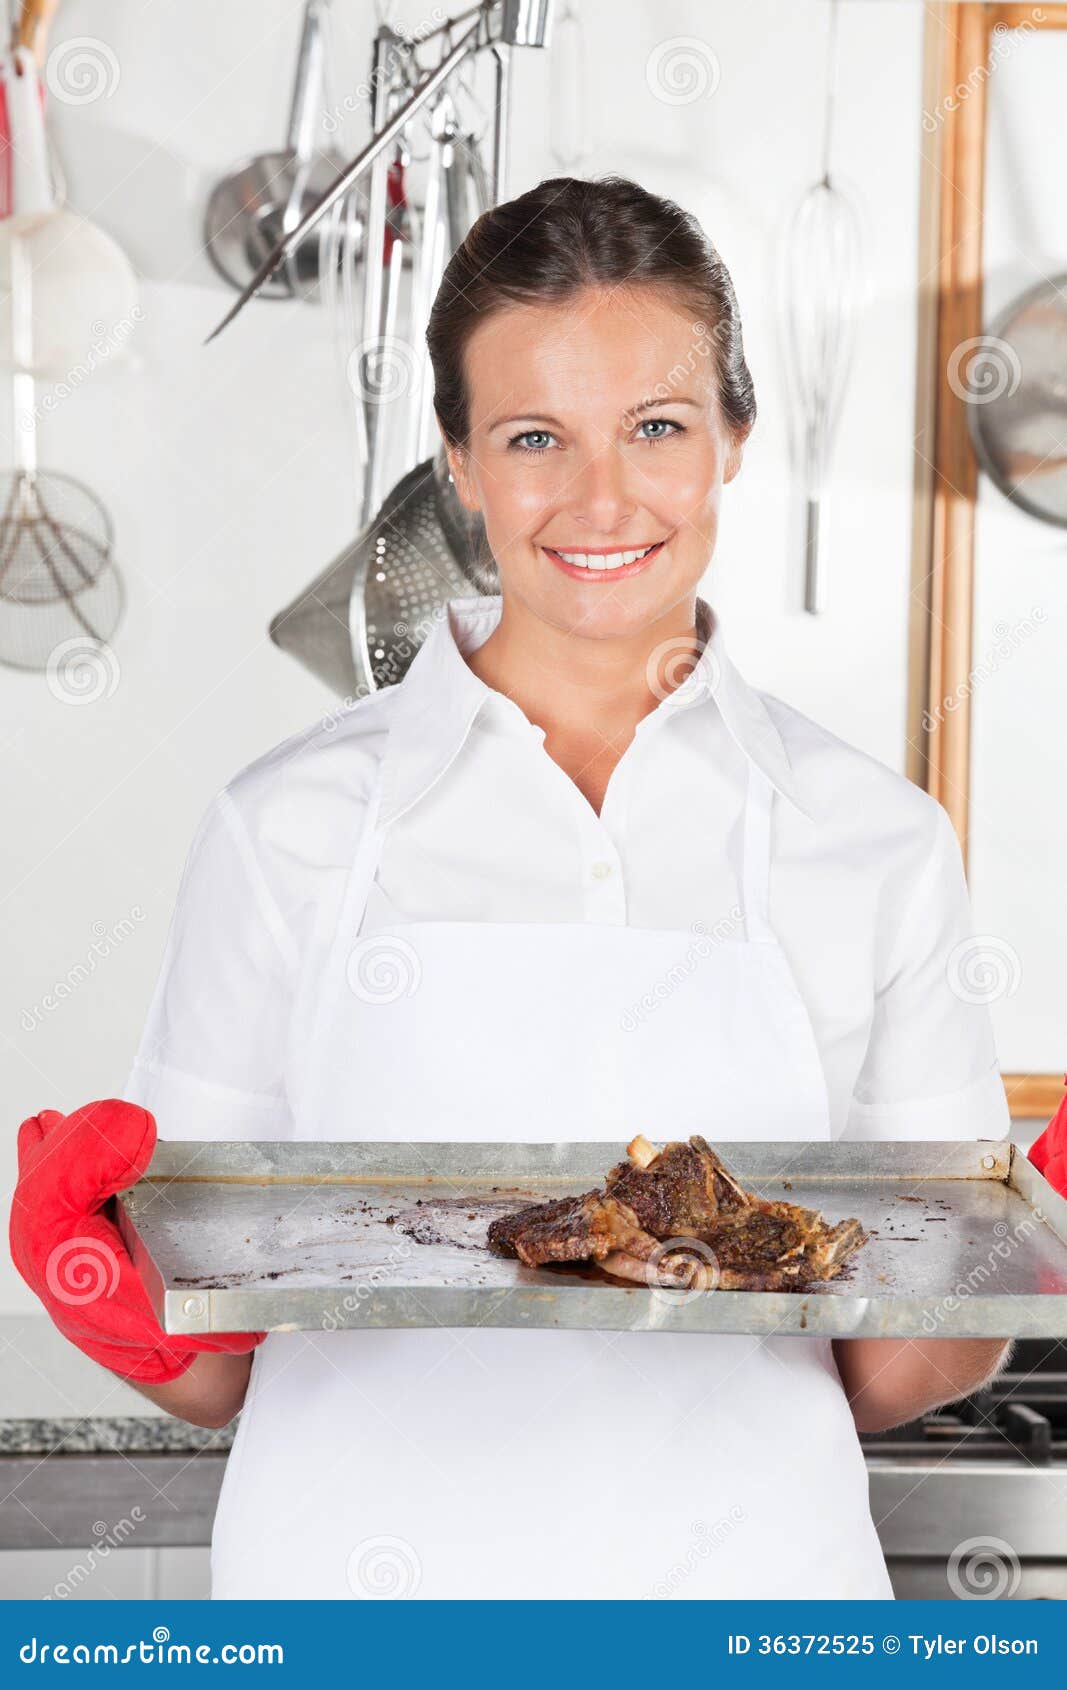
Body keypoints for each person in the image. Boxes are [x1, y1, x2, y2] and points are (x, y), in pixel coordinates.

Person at [10, 176, 1031, 1600]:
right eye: (535, 436)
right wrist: (104, 1296)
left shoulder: (877, 839)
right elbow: (216, 1368)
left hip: (746, 1609)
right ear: (462, 465)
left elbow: (894, 1364)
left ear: (734, 438)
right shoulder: (286, 827)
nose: (600, 497)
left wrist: (1019, 1250)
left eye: (657, 428)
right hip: (355, 1615)